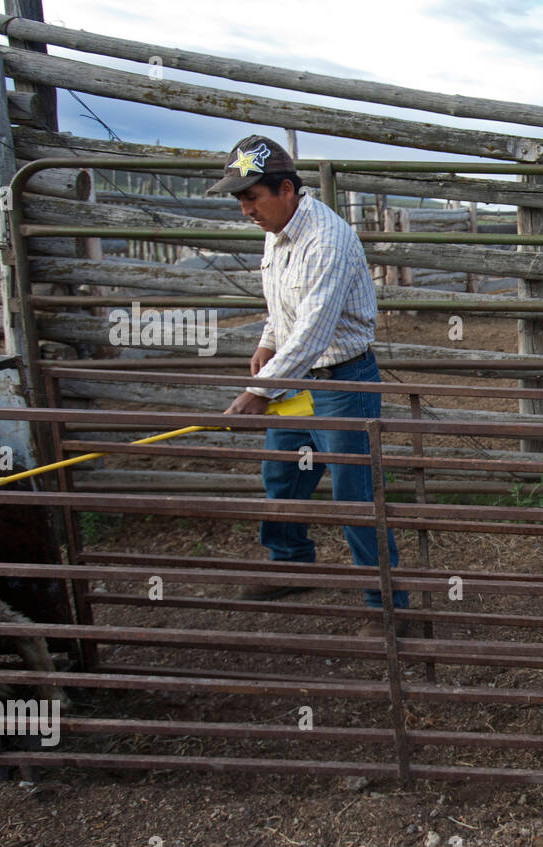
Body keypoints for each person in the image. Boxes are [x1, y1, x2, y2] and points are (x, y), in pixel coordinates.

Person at [208, 134, 409, 636]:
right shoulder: (277, 232)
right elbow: (286, 305)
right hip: (298, 378)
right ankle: (291, 562)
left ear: (285, 189)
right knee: (284, 475)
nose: (245, 210)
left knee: (354, 495)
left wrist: (260, 388)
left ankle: (389, 606)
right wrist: (268, 339)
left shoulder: (327, 240)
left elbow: (317, 328)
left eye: (251, 198)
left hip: (343, 381)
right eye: (240, 200)